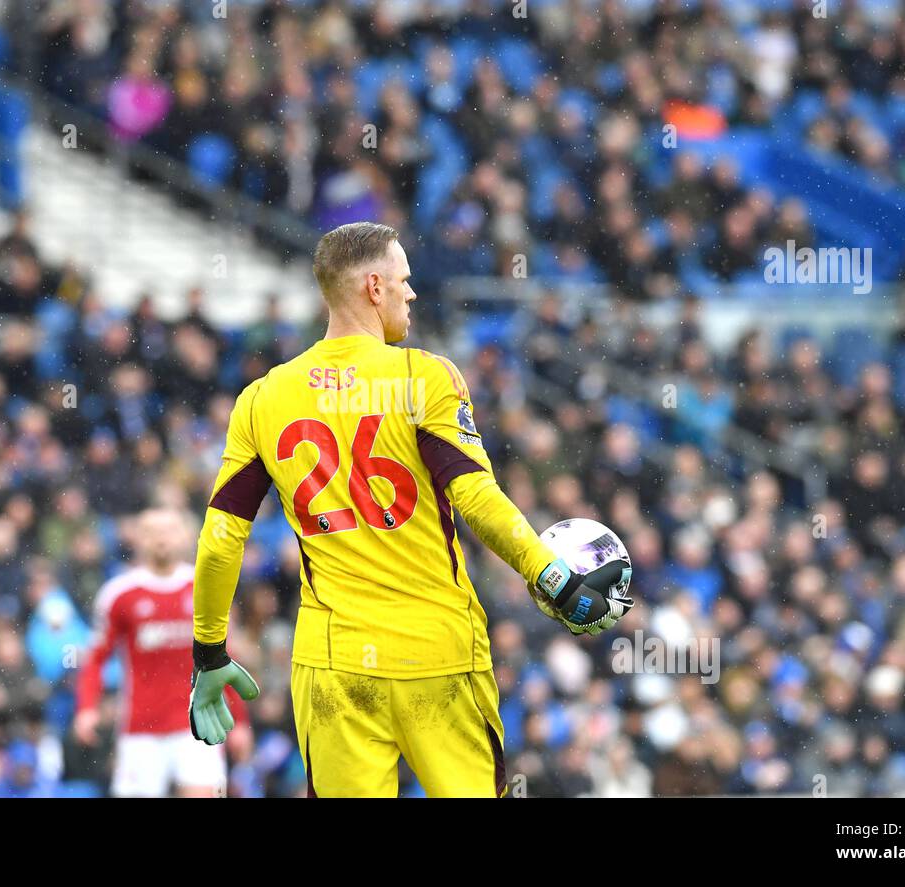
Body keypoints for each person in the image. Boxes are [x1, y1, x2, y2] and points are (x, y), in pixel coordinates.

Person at [188, 222, 634, 797]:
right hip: (436, 651)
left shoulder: (263, 397)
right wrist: (551, 574)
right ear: (374, 287)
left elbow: (222, 538)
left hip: (333, 660)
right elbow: (473, 495)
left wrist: (208, 650)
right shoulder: (422, 377)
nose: (412, 292)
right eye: (403, 280)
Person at [75, 509, 237, 797]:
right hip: (141, 729)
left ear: (186, 536)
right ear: (138, 538)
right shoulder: (119, 594)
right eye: (152, 531)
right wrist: (87, 707)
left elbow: (224, 659)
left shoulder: (205, 588)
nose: (161, 537)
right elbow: (95, 658)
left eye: (170, 530)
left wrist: (241, 720)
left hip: (198, 723)